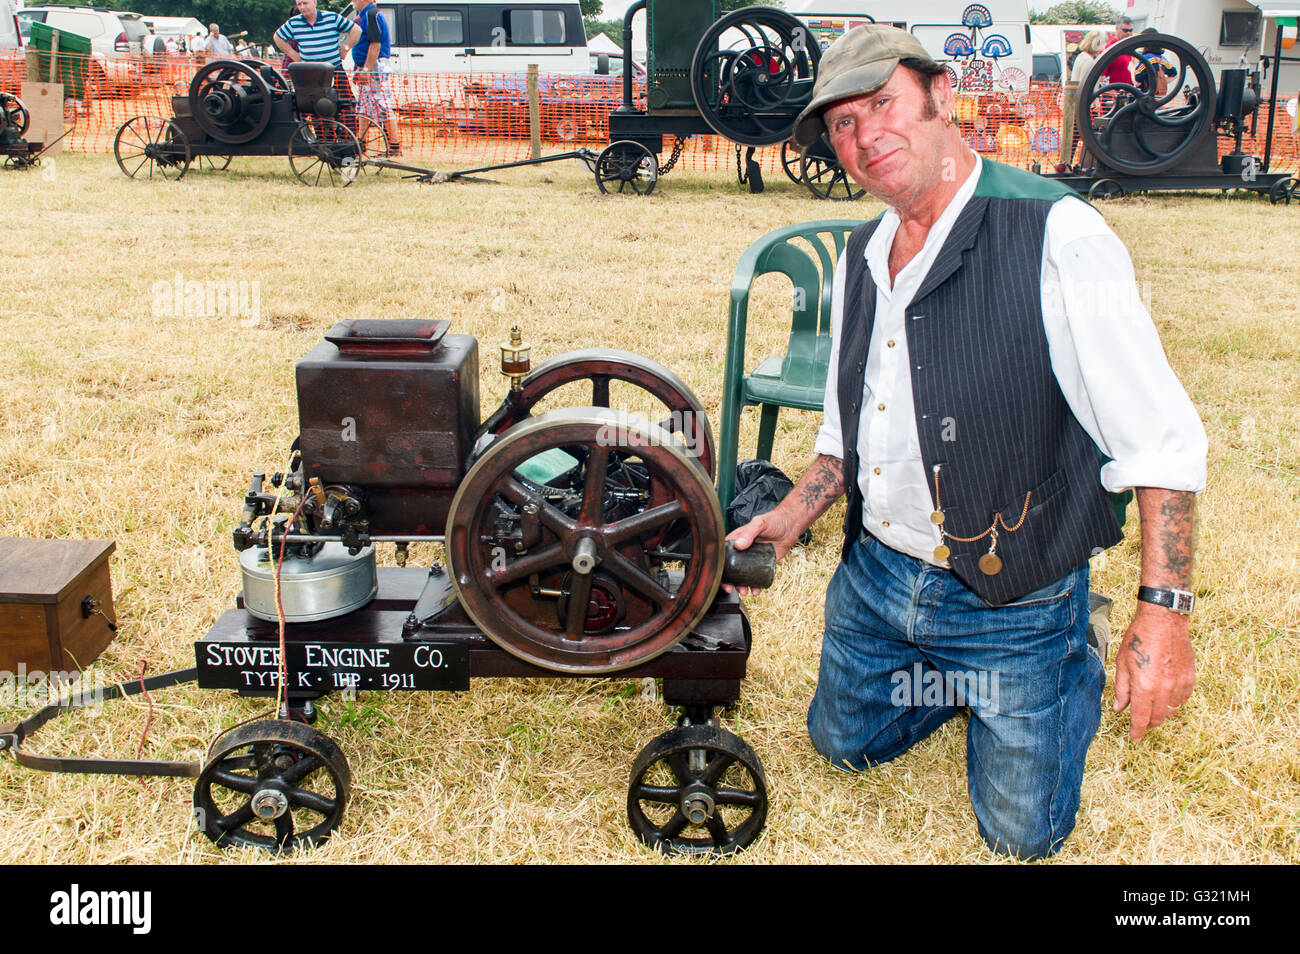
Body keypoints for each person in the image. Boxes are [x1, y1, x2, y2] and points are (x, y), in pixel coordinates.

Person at [728, 25, 1206, 860]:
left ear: (941, 96)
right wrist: (795, 514)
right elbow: (852, 427)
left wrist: (1161, 619)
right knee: (844, 747)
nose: (865, 134)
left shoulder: (1059, 234)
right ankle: (962, 686)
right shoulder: (863, 252)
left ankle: (1063, 661)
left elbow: (1160, 442)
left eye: (882, 103)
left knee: (1021, 837)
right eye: (841, 123)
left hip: (1011, 594)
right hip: (878, 578)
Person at [348, 0, 402, 156]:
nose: (353, 1)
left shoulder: (372, 15)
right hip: (368, 67)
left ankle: (394, 147)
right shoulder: (364, 15)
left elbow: (375, 45)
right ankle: (361, 144)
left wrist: (366, 69)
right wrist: (360, 67)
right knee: (363, 107)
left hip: (375, 68)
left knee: (383, 105)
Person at [1059, 30, 1106, 170]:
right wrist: (1093, 103)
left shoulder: (1081, 56)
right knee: (1085, 137)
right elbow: (1086, 86)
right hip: (1083, 105)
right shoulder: (1088, 60)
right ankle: (1076, 165)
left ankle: (1066, 164)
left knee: (1072, 137)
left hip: (1075, 103)